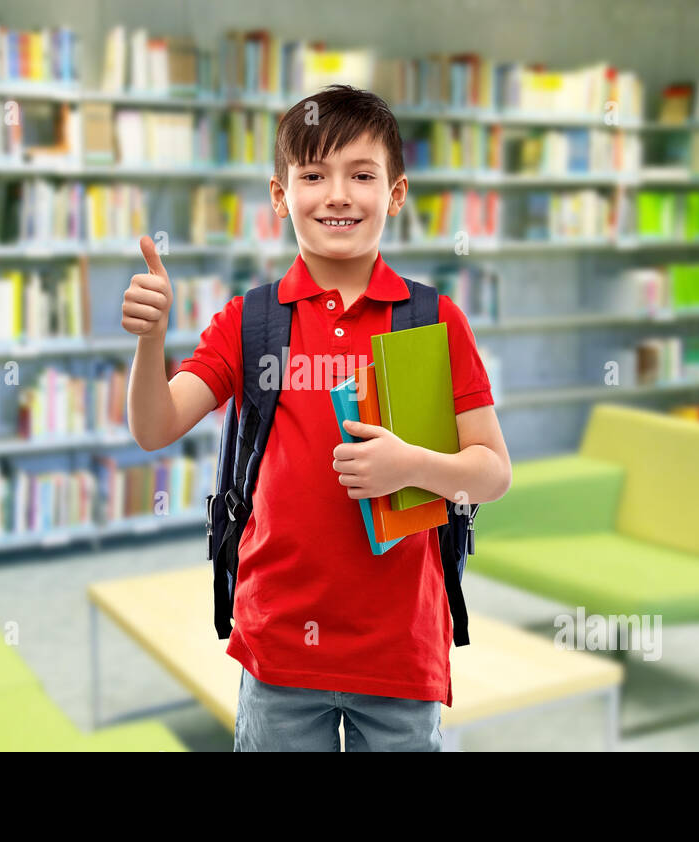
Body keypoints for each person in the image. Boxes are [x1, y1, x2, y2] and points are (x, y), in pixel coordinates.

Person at [122, 84, 512, 751]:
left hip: (400, 653)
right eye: (313, 175)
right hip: (278, 645)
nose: (338, 194)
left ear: (395, 195)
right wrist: (151, 339)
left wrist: (411, 465)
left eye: (362, 175)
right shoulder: (253, 320)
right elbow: (154, 427)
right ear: (280, 195)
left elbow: (492, 473)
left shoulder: (432, 319)